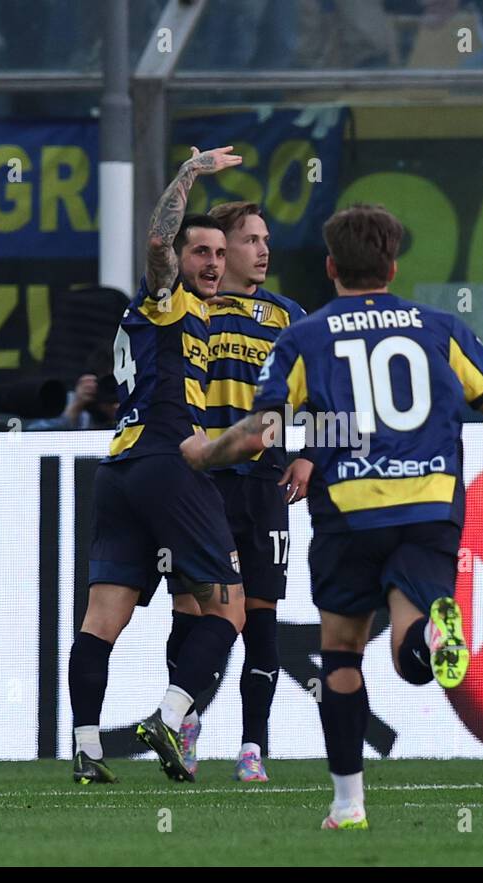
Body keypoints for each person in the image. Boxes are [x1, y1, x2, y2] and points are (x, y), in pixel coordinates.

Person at [181, 204, 483, 829]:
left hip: (349, 511)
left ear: (331, 267)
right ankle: (429, 633)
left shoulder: (305, 336)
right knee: (409, 640)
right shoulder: (440, 328)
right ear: (393, 266)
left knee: (342, 656)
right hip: (428, 507)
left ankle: (348, 805)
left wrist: (208, 453)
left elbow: (263, 431)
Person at [68, 145, 246, 786]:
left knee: (102, 618)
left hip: (120, 469)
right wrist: (188, 175)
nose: (212, 263)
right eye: (202, 252)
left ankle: (87, 750)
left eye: (220, 254)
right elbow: (155, 244)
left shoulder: (186, 314)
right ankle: (170, 717)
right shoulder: (164, 299)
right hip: (169, 462)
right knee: (229, 609)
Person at [165, 201, 312, 783]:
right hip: (197, 487)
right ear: (218, 253)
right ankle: (186, 723)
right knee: (194, 612)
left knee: (261, 619)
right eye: (249, 240)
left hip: (262, 485)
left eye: (265, 239)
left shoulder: (287, 315)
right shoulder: (188, 310)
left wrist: (309, 455)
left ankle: (253, 746)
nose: (262, 250)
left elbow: (328, 392)